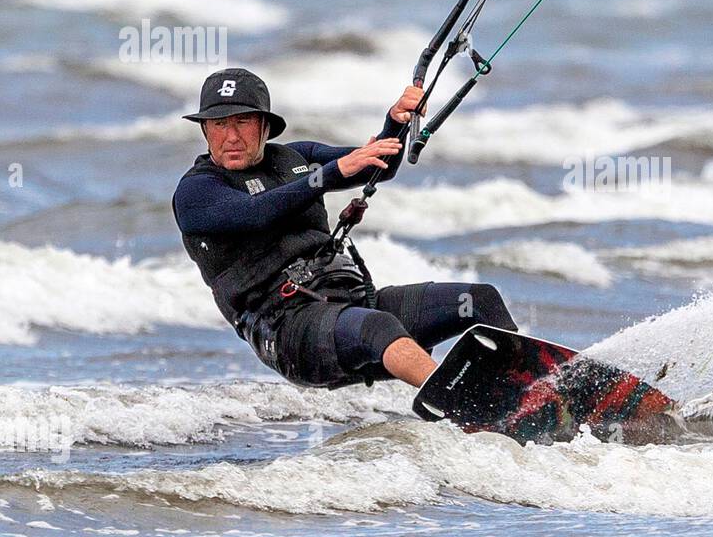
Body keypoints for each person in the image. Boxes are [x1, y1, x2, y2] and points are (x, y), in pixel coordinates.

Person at [172, 67, 517, 390]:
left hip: (350, 303)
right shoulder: (198, 191)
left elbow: (374, 166)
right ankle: (464, 406)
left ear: (264, 125)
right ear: (205, 130)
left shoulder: (294, 158)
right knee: (379, 328)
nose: (230, 136)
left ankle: (531, 390)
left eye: (242, 121)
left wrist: (394, 123)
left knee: (477, 300)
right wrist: (331, 173)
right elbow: (258, 213)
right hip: (289, 332)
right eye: (218, 124)